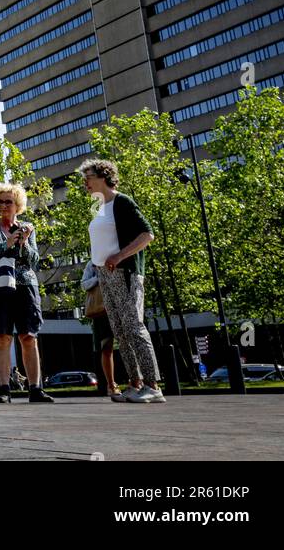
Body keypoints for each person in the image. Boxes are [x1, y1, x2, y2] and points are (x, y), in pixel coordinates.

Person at [79, 159, 163, 404]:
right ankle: (135, 383)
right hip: (105, 276)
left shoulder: (122, 201)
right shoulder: (99, 207)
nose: (86, 181)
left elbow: (147, 234)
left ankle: (153, 385)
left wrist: (120, 255)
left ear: (104, 176)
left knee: (134, 326)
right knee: (120, 331)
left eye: (89, 176)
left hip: (125, 272)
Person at [0, 182, 53, 404]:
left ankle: (35, 388)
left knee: (29, 337)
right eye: (0, 201)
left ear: (17, 204)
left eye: (8, 201)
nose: (3, 206)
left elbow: (35, 261)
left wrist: (25, 242)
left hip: (25, 287)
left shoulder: (28, 227)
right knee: (2, 338)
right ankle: (3, 388)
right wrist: (6, 244)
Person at [81, 258, 123, 401]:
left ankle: (135, 380)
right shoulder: (92, 263)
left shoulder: (120, 255)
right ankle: (111, 384)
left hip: (120, 305)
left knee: (128, 343)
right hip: (102, 311)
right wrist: (99, 277)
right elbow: (84, 284)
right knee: (106, 347)